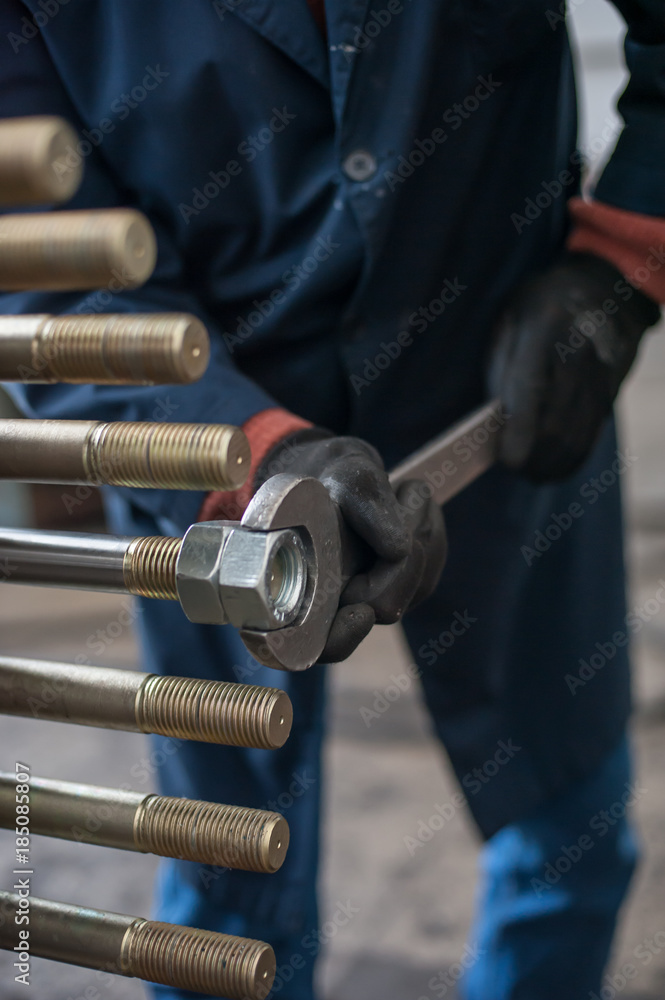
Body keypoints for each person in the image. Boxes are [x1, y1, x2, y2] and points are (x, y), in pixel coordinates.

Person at [1, 1, 663, 996]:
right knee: (226, 902)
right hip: (208, 447)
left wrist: (619, 262)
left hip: (509, 387)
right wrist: (248, 453)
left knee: (566, 834)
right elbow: (33, 253)